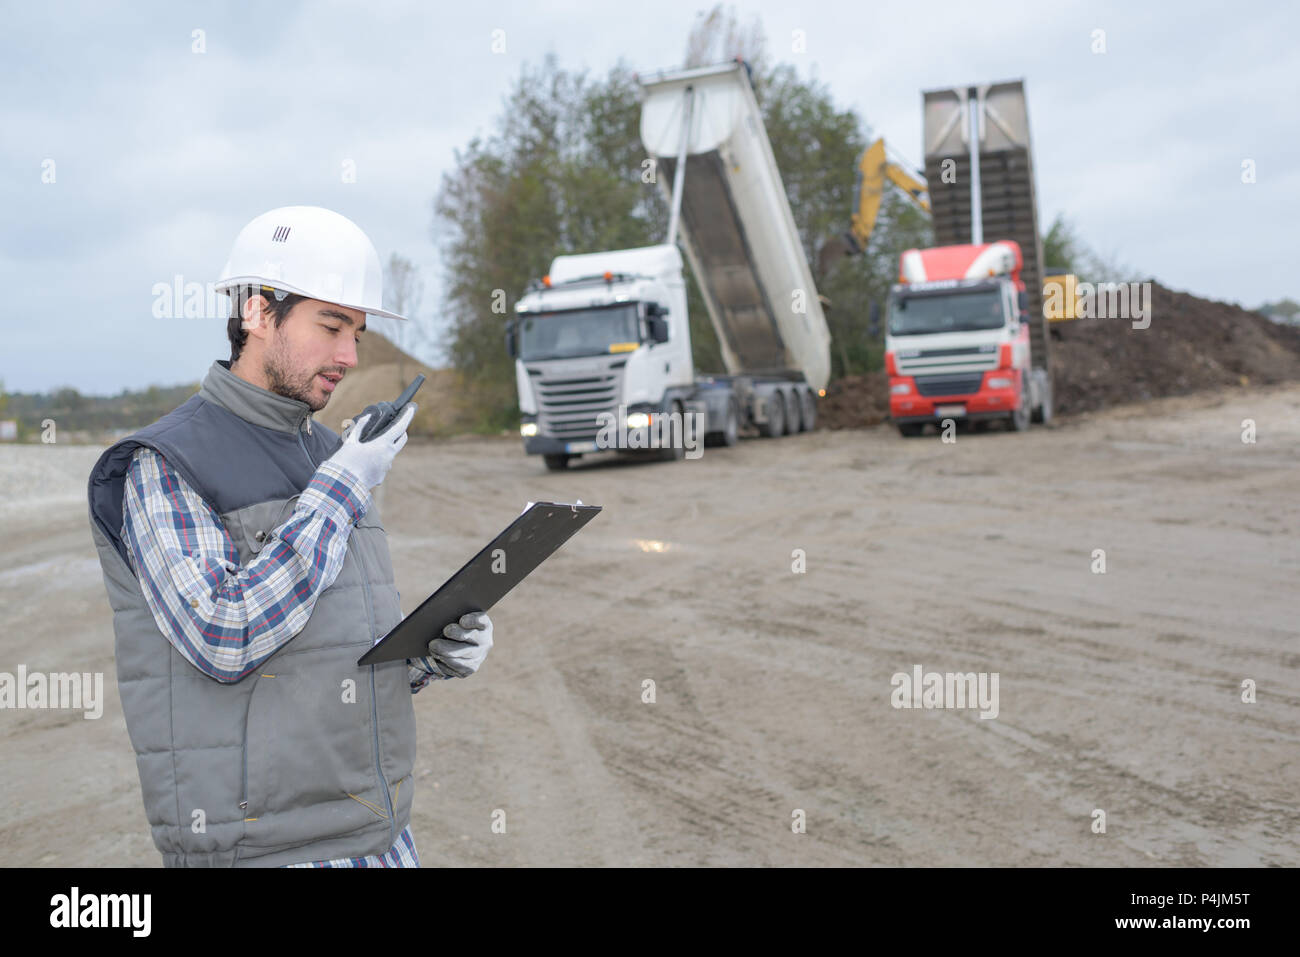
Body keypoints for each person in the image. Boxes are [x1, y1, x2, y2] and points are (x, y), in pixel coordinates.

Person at [87, 205, 492, 867]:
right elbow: (226, 635)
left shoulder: (338, 455)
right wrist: (340, 489)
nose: (349, 356)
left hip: (375, 839)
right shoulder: (164, 464)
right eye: (331, 326)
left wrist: (429, 656)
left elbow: (330, 651)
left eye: (356, 332)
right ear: (256, 312)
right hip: (266, 852)